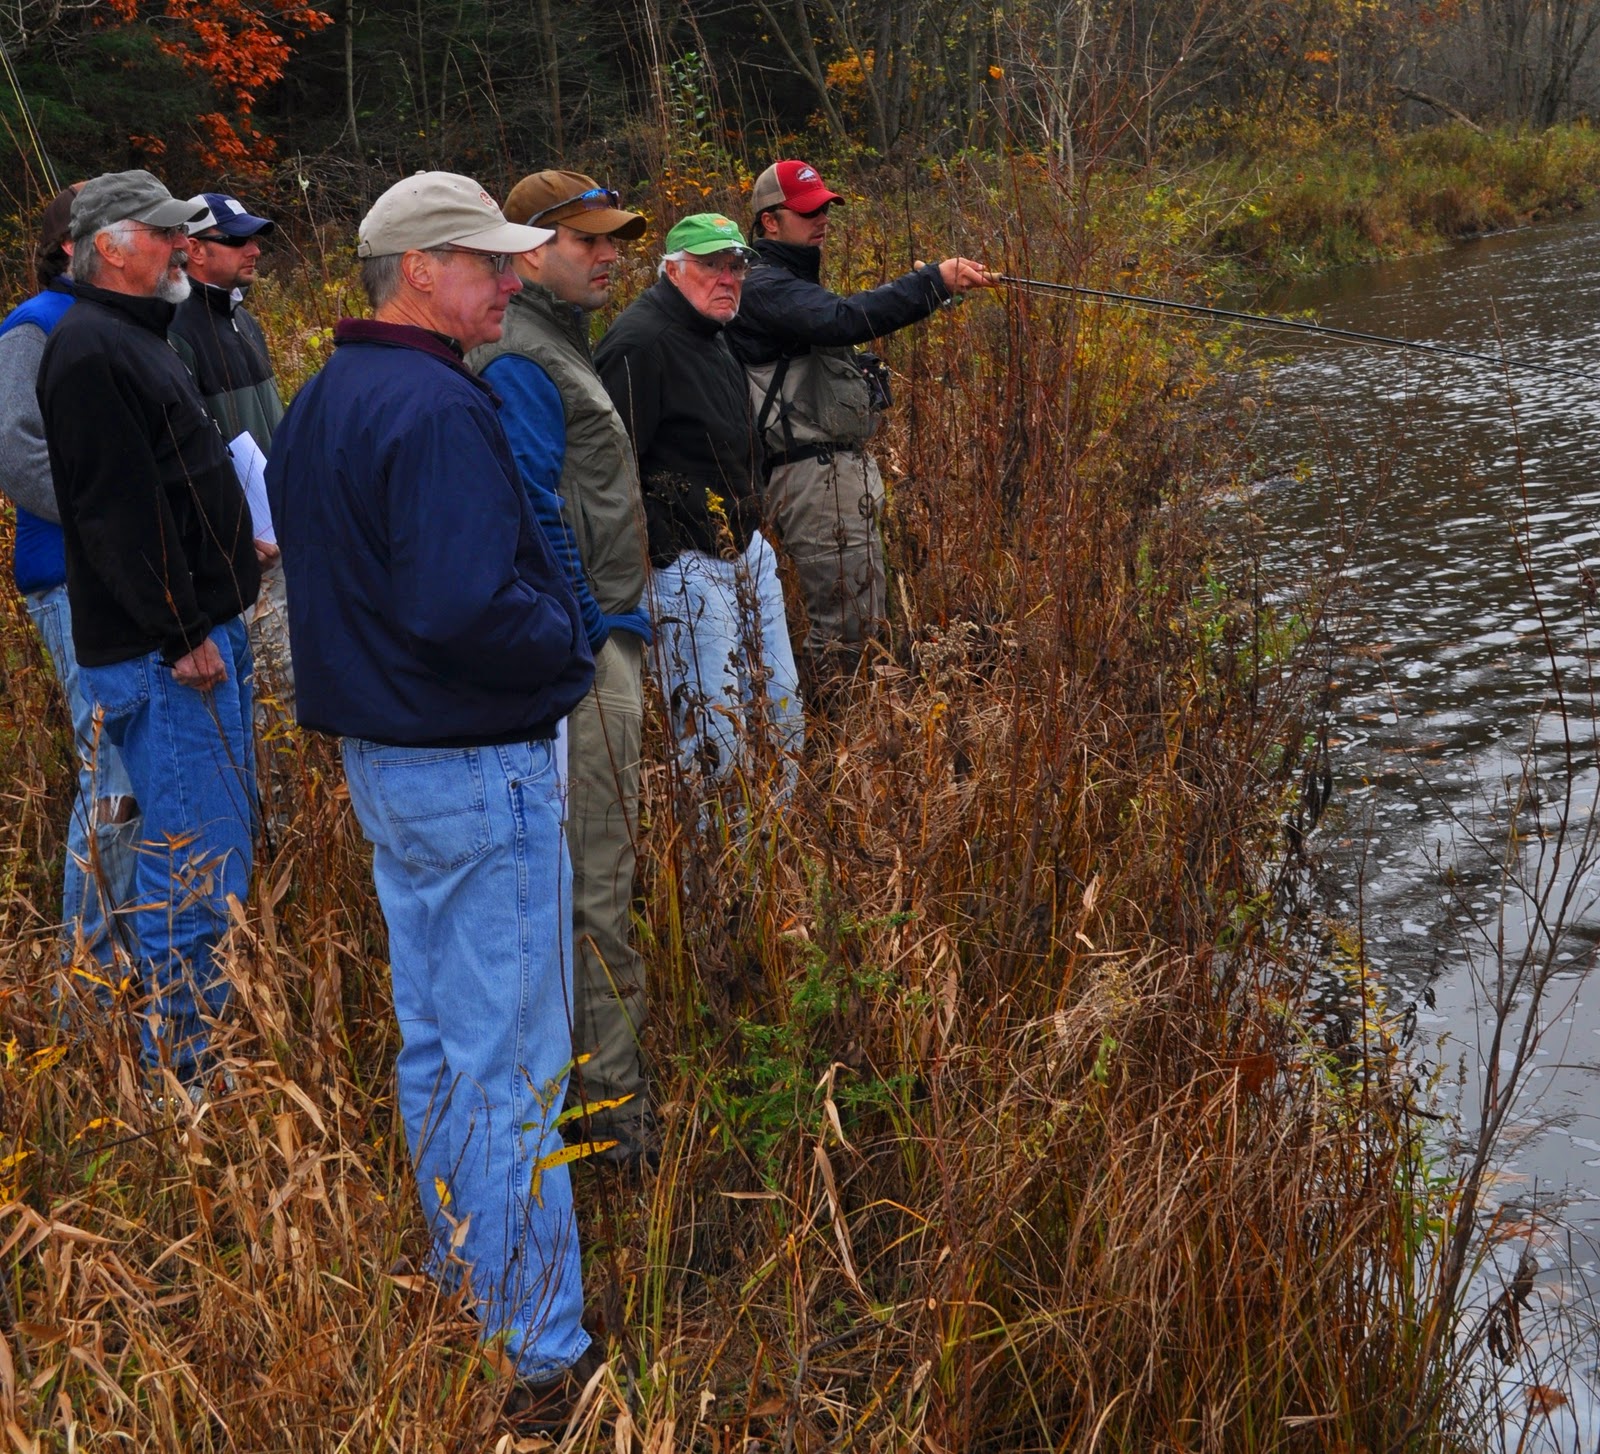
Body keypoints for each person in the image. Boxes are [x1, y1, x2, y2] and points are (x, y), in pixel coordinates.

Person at [264, 171, 599, 1428]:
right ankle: (538, 1349)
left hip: (387, 764)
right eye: (489, 264)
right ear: (419, 270)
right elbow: (463, 604)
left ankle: (470, 1286)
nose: (510, 283)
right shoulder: (435, 407)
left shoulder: (323, 400)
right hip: (473, 763)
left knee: (441, 1047)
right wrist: (568, 643)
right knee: (512, 1062)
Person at [36, 170, 259, 1088]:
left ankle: (206, 1053)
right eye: (164, 234)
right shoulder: (91, 352)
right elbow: (117, 518)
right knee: (191, 865)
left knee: (219, 848)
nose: (182, 247)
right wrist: (181, 636)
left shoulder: (136, 338)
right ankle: (185, 1075)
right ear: (113, 246)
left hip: (201, 637)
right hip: (170, 660)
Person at [466, 170, 656, 1172]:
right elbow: (534, 516)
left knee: (597, 875)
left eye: (615, 238)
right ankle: (612, 1122)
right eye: (588, 240)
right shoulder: (522, 360)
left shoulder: (554, 347)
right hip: (585, 658)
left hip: (604, 639)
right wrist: (585, 638)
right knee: (595, 883)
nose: (609, 254)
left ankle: (599, 1102)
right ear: (528, 249)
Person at [727, 158, 995, 683]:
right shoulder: (764, 286)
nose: (821, 218)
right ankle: (829, 744)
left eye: (825, 207)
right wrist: (931, 282)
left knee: (860, 617)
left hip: (824, 474)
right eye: (807, 211)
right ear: (769, 222)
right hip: (809, 477)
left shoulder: (785, 282)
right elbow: (842, 319)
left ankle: (833, 733)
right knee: (851, 628)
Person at [595, 212, 803, 818]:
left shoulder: (714, 333)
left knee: (784, 707)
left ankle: (773, 856)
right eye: (711, 266)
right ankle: (717, 880)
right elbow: (611, 469)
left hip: (745, 549)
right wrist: (661, 550)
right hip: (686, 566)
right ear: (673, 269)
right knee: (715, 736)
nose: (727, 279)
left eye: (735, 266)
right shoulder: (641, 344)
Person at [0, 183, 138, 977]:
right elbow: (18, 457)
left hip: (128, 576)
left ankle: (134, 957)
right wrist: (118, 517)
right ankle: (89, 984)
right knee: (112, 770)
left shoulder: (119, 326)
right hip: (72, 580)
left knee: (135, 770)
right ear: (71, 248)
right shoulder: (33, 328)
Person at [169, 192, 293, 707]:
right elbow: (186, 448)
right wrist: (235, 533)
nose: (255, 250)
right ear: (194, 250)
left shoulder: (244, 320)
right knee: (269, 697)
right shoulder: (174, 328)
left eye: (255, 239)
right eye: (237, 239)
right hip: (245, 553)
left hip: (285, 535)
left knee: (297, 687)